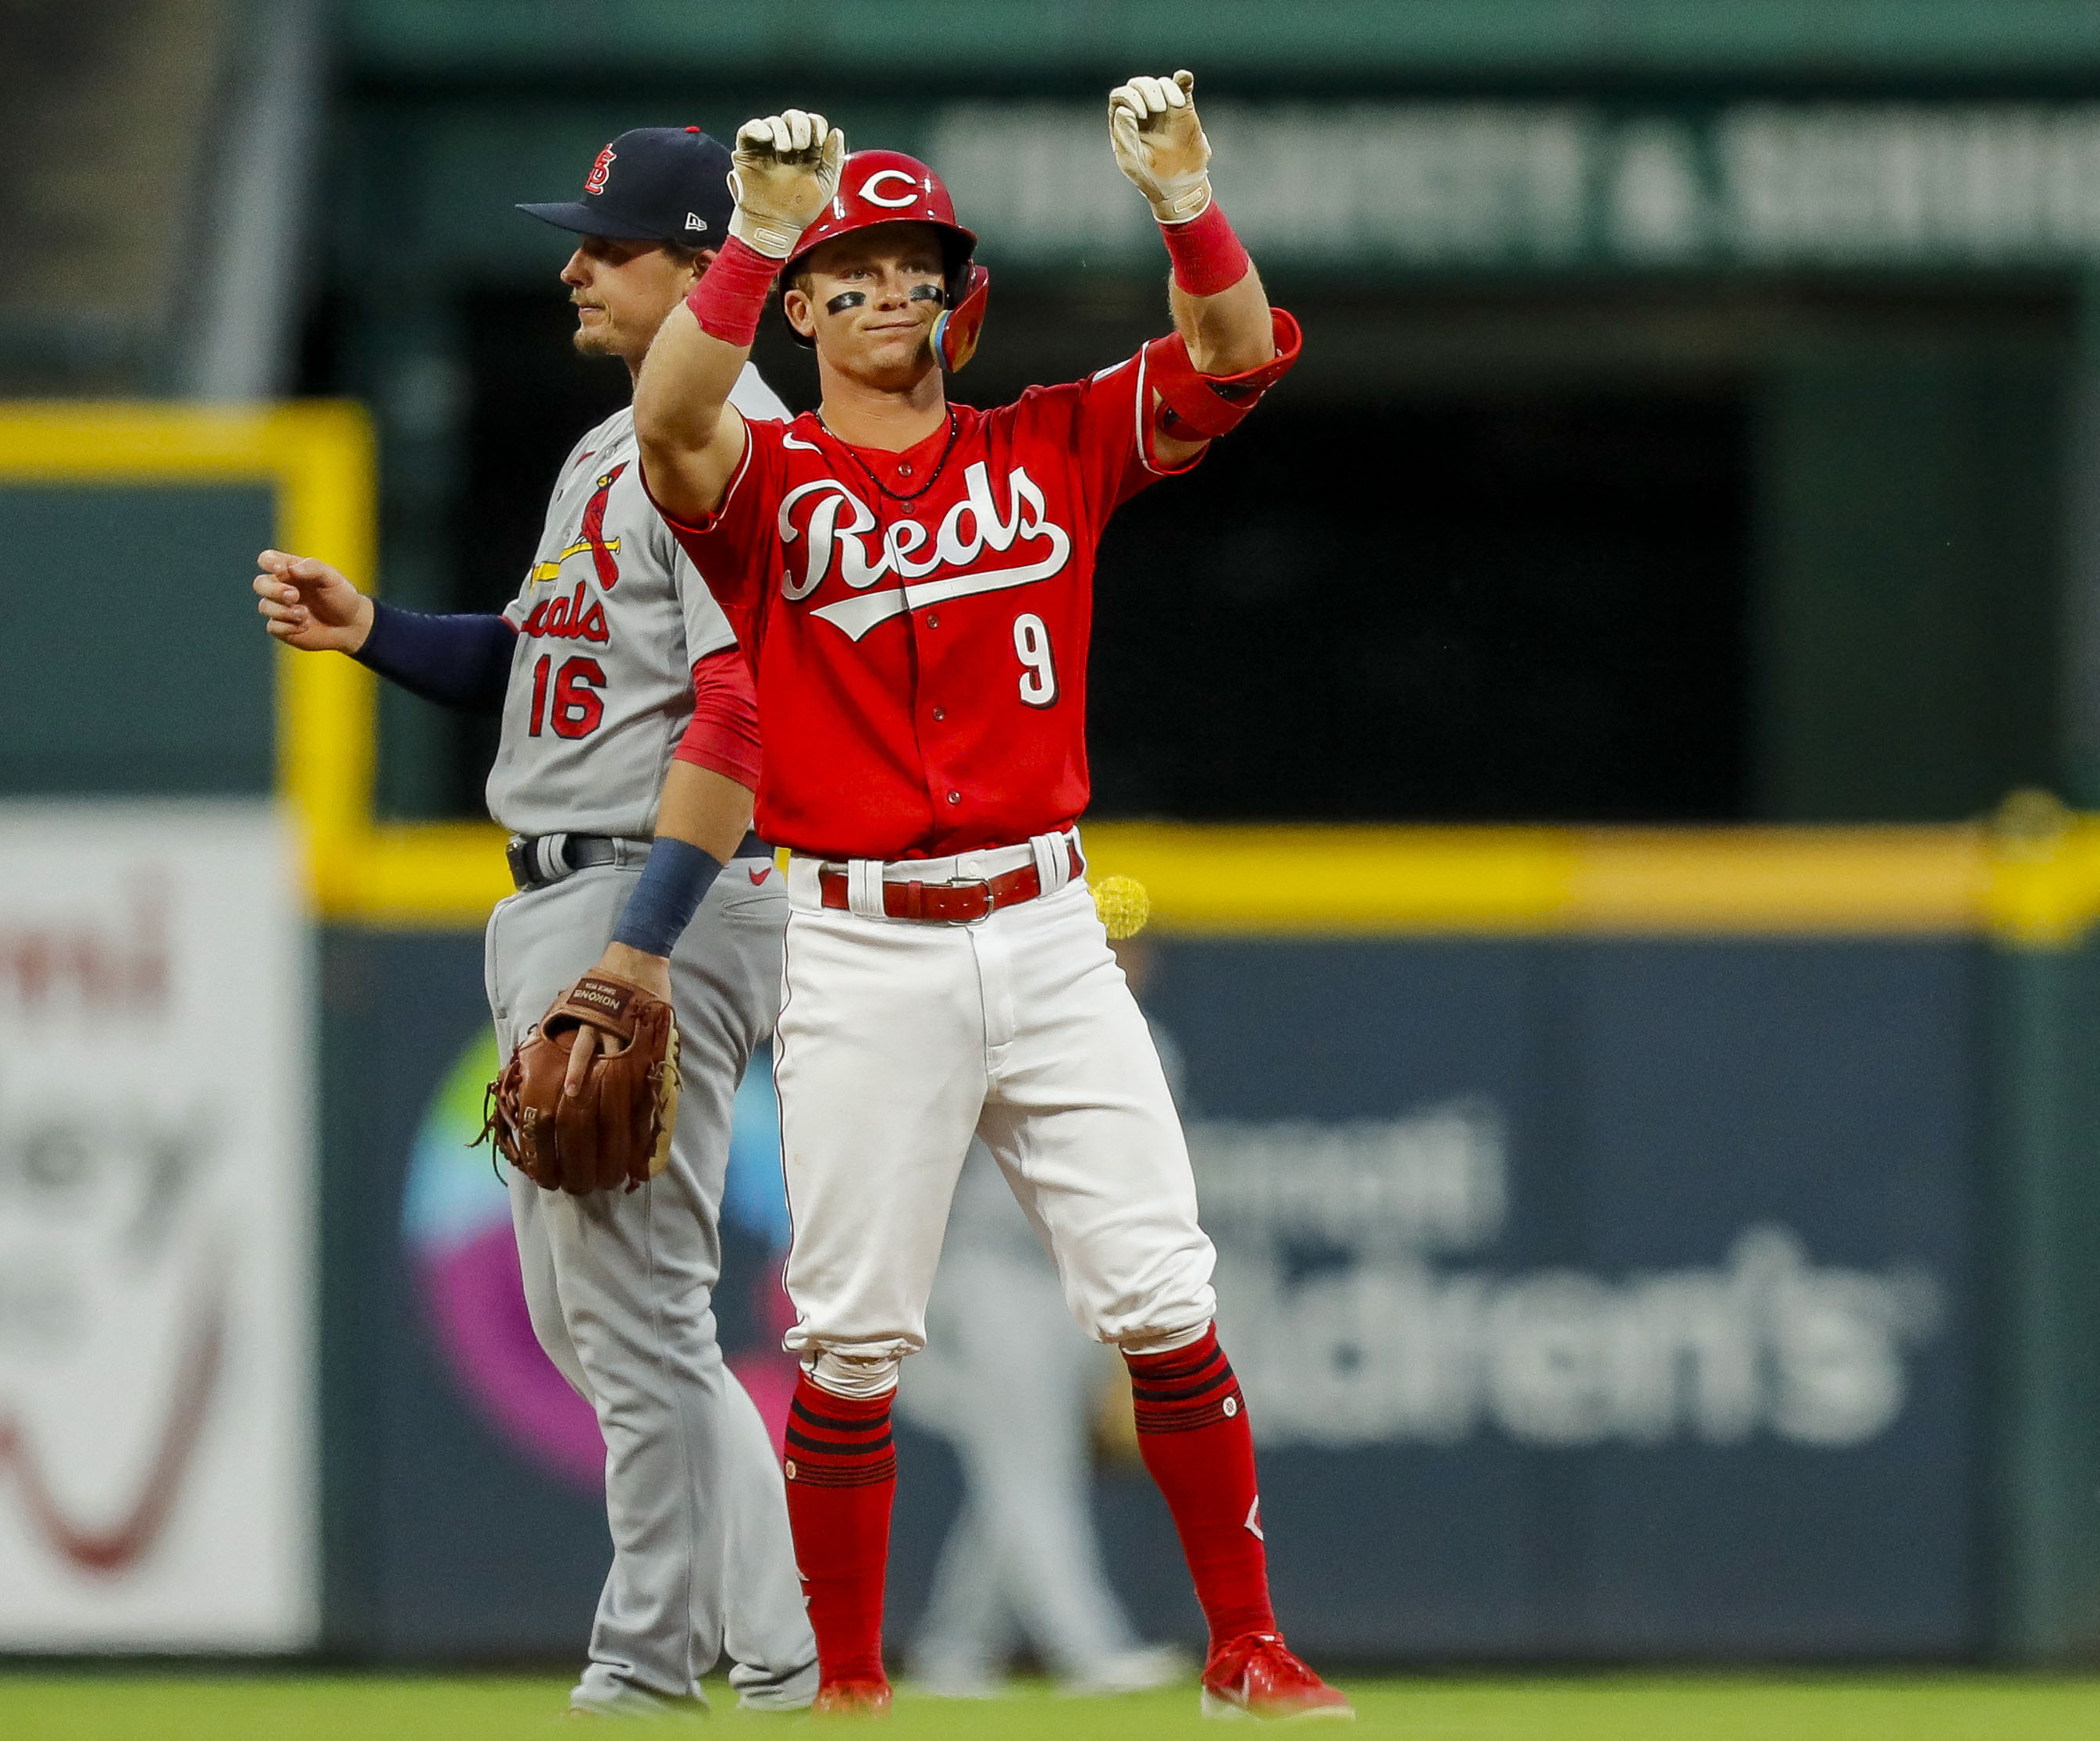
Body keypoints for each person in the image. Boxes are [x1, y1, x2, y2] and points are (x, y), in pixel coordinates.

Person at [631, 76, 1348, 1719]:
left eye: (918, 265)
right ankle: (852, 1679)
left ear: (962, 294)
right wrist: (748, 231)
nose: (893, 291)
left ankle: (1244, 1642)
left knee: (1164, 1295)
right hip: (860, 939)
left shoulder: (1049, 442)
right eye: (854, 268)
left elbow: (1233, 350)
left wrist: (1183, 196)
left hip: (1045, 923)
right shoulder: (766, 478)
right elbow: (675, 414)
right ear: (799, 306)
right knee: (851, 1337)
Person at [250, 126, 817, 1717]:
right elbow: (530, 657)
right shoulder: (601, 450)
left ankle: (644, 1667)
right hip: (560, 887)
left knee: (634, 1313)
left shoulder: (731, 441)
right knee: (594, 1322)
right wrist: (374, 633)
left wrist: (641, 938)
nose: (572, 262)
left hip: (651, 888)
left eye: (609, 242)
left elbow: (739, 703)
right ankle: (783, 1655)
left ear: (707, 262)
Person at [905, 942, 1197, 1700]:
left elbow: (1143, 1198)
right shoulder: (1004, 1030)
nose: (1124, 956)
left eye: (1133, 942)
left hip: (1075, 1283)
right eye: (1108, 938)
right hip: (991, 1271)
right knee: (1032, 1469)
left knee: (1023, 1469)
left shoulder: (1155, 1052)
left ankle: (954, 1649)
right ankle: (1091, 1649)